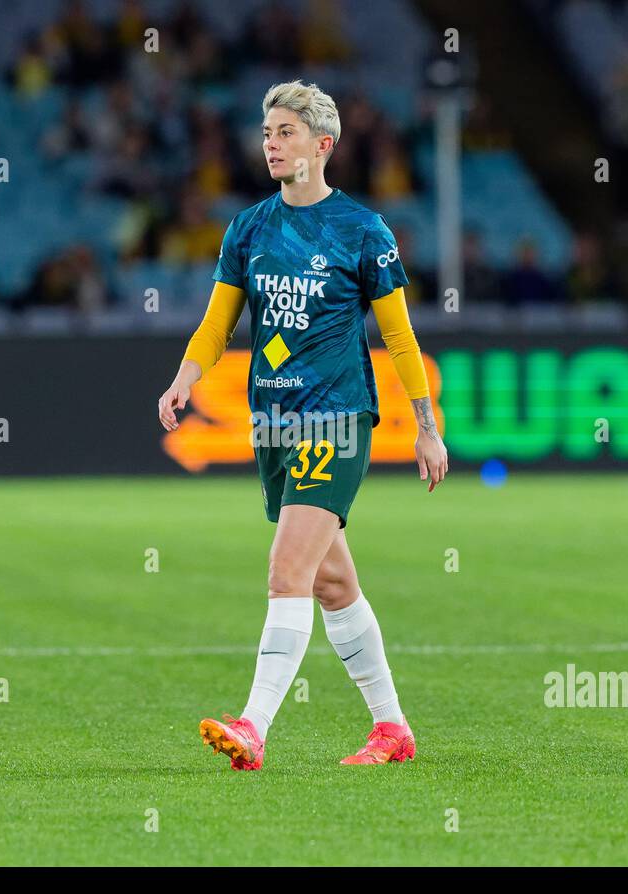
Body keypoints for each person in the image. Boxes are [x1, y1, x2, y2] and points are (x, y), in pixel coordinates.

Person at [156, 80, 448, 770]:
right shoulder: (249, 228)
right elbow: (217, 322)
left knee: (287, 569)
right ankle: (392, 729)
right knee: (333, 585)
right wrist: (184, 377)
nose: (271, 145)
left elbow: (400, 340)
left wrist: (425, 425)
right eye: (266, 134)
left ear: (324, 145)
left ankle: (253, 727)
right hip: (274, 427)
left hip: (338, 420)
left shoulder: (362, 231)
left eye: (285, 133)